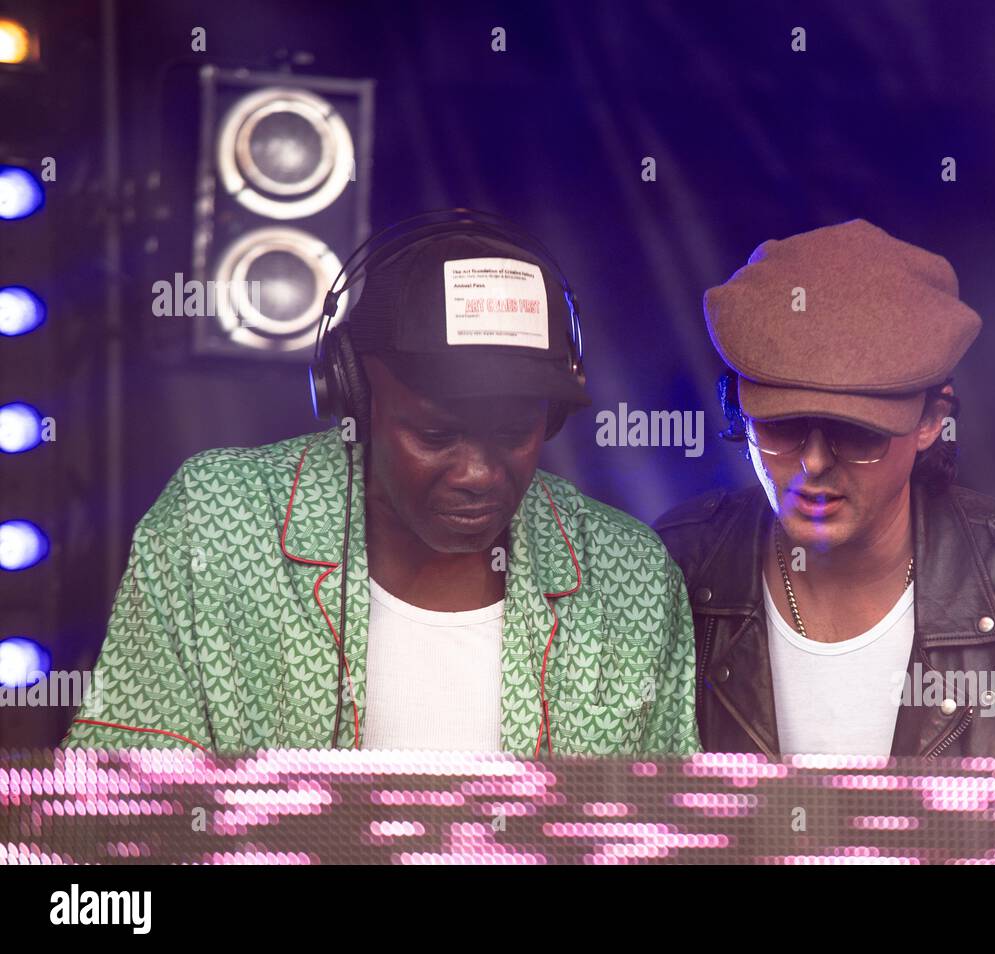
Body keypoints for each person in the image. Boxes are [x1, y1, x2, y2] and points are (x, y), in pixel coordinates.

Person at [63, 215, 699, 756]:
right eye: (436, 435)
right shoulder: (217, 527)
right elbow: (123, 807)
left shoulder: (630, 576)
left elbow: (668, 837)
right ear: (356, 396)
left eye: (512, 433)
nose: (478, 475)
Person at [654, 219, 995, 759]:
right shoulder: (676, 568)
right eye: (783, 425)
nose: (815, 462)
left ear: (930, 420)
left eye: (856, 432)